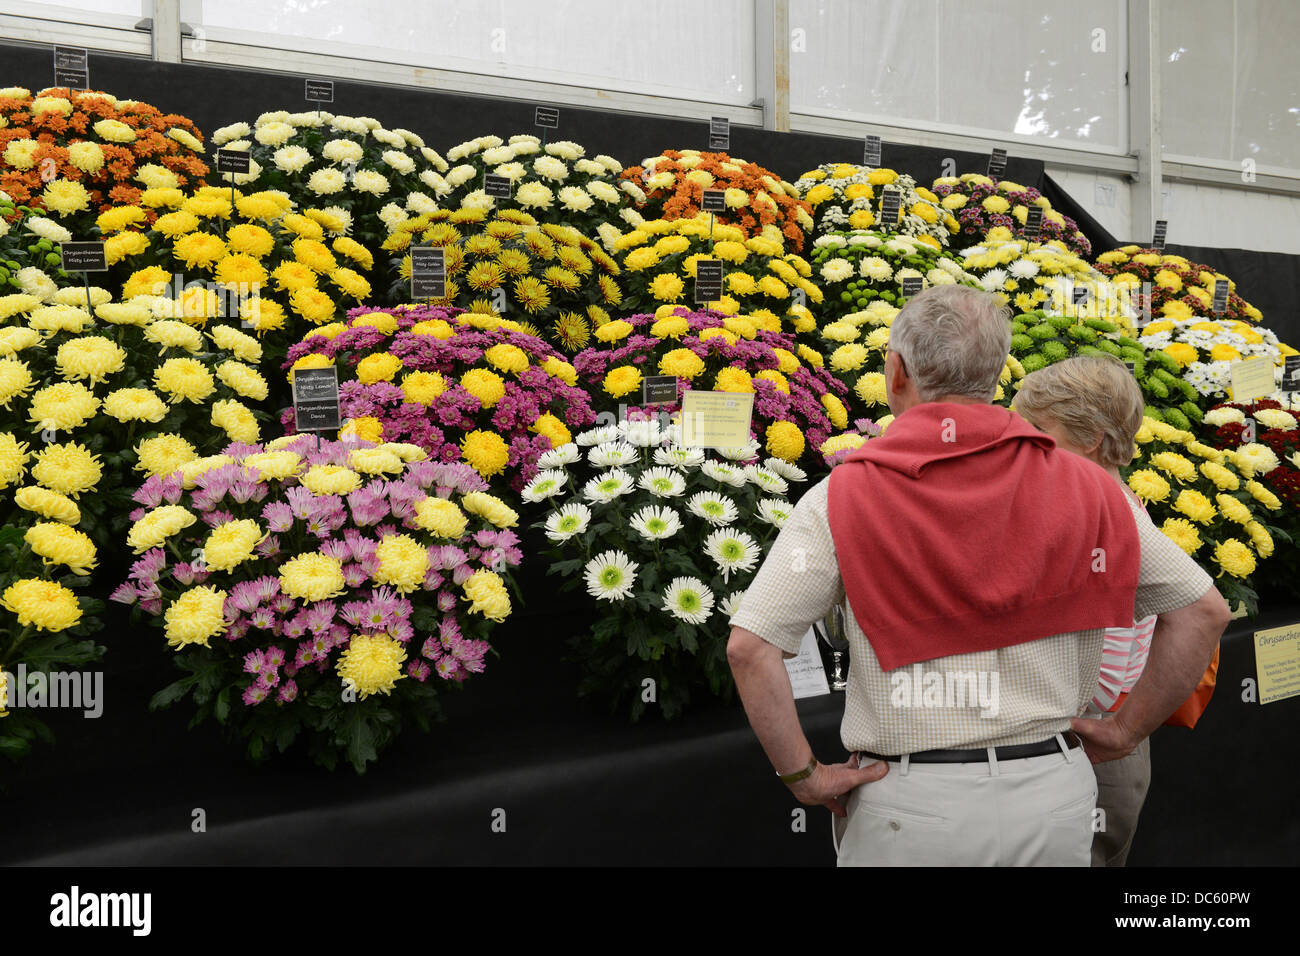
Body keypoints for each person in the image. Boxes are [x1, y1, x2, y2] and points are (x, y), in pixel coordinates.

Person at [727, 285, 1230, 866]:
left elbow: (750, 648)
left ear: (895, 373)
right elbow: (1205, 613)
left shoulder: (843, 493)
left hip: (912, 806)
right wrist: (1124, 733)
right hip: (1055, 796)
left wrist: (804, 776)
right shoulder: (1092, 487)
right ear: (995, 376)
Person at [1012, 354, 1211, 866]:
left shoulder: (1103, 516)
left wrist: (1120, 729)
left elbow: (1121, 664)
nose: (1021, 444)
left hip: (1088, 746)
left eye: (1038, 429)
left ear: (1092, 439)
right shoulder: (1119, 504)